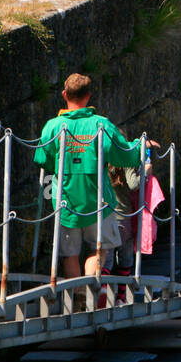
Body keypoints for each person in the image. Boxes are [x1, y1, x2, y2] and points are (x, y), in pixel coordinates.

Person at [34, 73, 145, 279]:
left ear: (64, 94)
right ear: (88, 96)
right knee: (98, 249)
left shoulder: (52, 126)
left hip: (65, 199)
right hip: (98, 199)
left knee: (69, 254)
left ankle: (76, 296)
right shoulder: (101, 124)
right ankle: (89, 293)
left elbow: (43, 159)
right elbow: (124, 156)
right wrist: (141, 146)